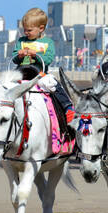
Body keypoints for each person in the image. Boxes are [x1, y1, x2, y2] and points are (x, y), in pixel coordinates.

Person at [12, 8, 75, 142]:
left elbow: (48, 59)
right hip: (21, 73)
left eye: (29, 30)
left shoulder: (48, 43)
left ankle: (67, 106)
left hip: (40, 74)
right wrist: (19, 55)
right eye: (25, 30)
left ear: (41, 28)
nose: (26, 33)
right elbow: (14, 58)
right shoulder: (21, 41)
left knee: (53, 83)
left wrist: (36, 55)